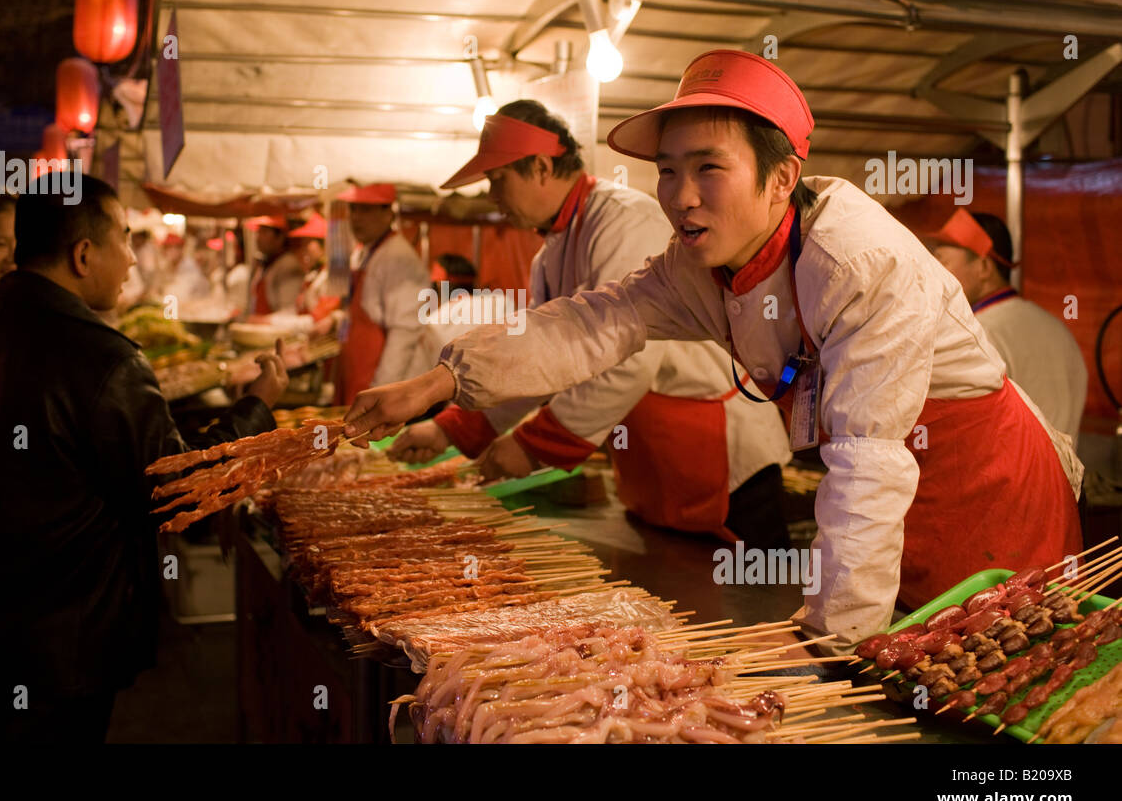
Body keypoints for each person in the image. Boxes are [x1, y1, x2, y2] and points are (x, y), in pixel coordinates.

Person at [344, 50, 1084, 649]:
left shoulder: (863, 267)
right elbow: (594, 324)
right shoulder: (699, 265)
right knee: (923, 665)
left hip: (985, 491)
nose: (681, 196)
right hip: (896, 504)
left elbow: (866, 462)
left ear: (781, 179)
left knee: (1005, 681)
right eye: (668, 171)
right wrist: (442, 382)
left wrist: (833, 640)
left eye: (708, 168)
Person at [0, 175, 289, 743]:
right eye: (126, 240)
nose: (133, 259)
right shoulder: (106, 360)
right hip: (57, 656)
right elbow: (180, 492)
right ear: (84, 254)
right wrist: (256, 408)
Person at [390, 101, 793, 545]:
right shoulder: (548, 255)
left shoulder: (622, 218)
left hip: (721, 448)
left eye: (497, 179)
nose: (491, 195)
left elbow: (627, 358)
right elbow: (545, 362)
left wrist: (533, 444)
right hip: (651, 446)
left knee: (746, 595)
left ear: (542, 167)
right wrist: (454, 426)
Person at [928, 208, 1088, 446]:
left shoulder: (977, 333)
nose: (936, 275)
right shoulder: (1057, 328)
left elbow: (966, 434)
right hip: (1062, 480)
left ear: (984, 268)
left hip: (1012, 481)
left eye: (943, 263)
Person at [333, 183, 432, 404]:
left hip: (375, 379)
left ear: (388, 213)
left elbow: (405, 331)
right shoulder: (365, 252)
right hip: (355, 372)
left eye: (366, 210)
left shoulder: (399, 257)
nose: (356, 218)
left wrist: (382, 393)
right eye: (354, 209)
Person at [248, 214, 302, 315]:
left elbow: (288, 311)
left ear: (280, 237)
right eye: (258, 232)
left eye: (264, 232)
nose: (258, 238)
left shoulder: (288, 265)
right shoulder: (266, 264)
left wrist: (262, 322)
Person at [288, 211, 338, 320]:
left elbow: (320, 317)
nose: (304, 249)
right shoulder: (314, 274)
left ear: (323, 245)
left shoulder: (331, 277)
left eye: (308, 242)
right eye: (303, 243)